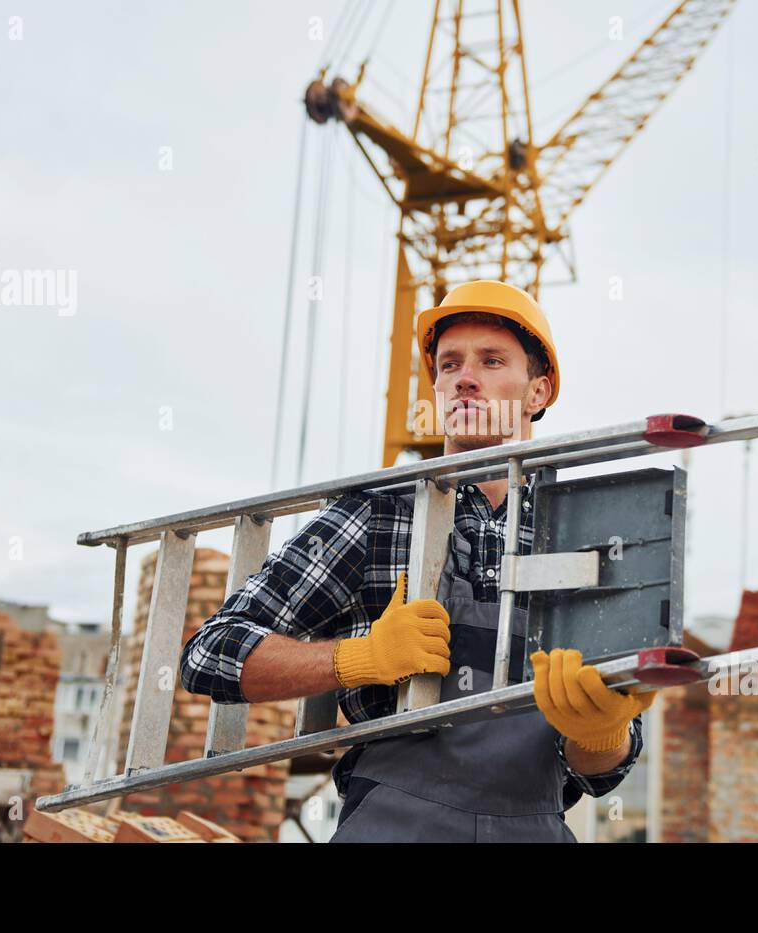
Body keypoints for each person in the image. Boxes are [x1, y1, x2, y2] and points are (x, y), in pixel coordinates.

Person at [180, 279, 653, 842]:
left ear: (538, 391)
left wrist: (601, 731)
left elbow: (602, 774)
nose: (464, 378)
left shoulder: (582, 534)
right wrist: (361, 658)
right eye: (449, 365)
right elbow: (209, 654)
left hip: (534, 823)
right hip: (397, 819)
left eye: (492, 360)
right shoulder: (381, 512)